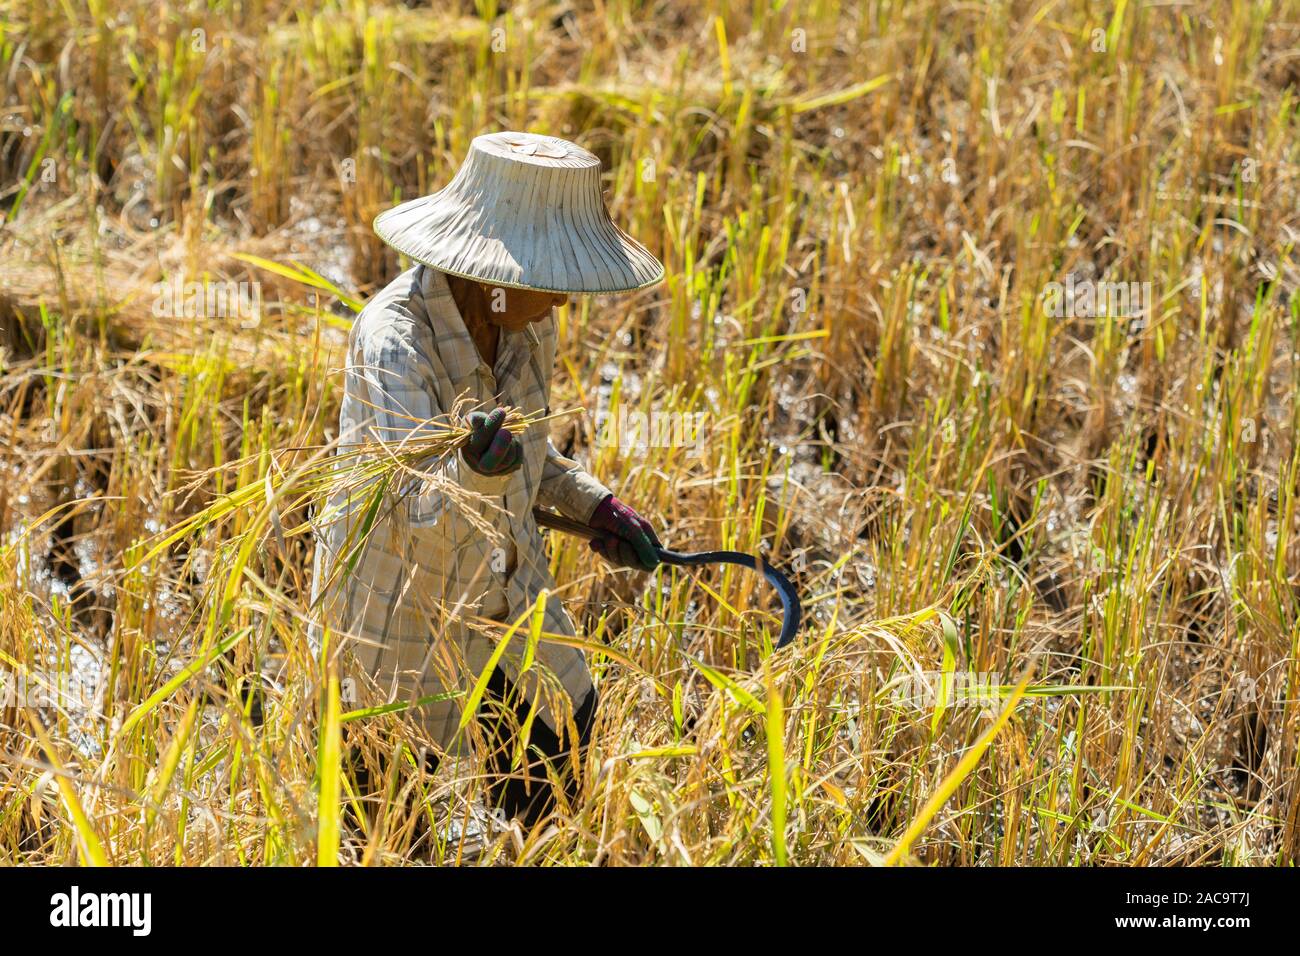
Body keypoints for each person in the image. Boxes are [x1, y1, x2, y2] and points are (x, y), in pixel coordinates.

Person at [310, 131, 665, 830]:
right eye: (550, 278)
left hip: (501, 587)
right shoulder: (395, 341)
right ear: (491, 271)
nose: (563, 300)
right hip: (398, 607)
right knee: (390, 821)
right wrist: (474, 470)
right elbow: (413, 504)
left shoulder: (526, 328)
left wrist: (594, 506)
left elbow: (532, 459)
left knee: (562, 740)